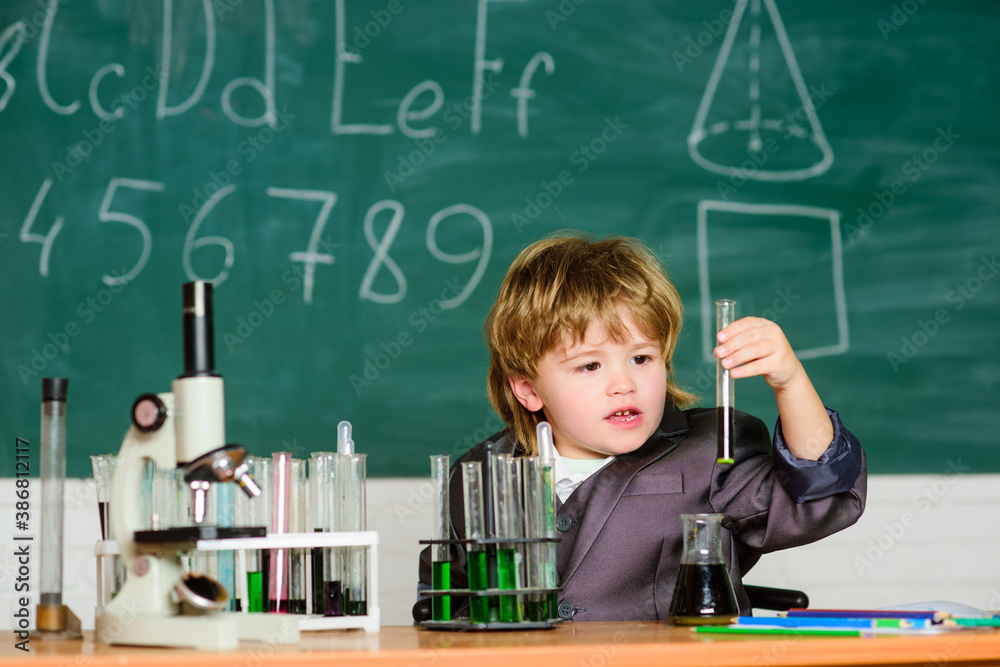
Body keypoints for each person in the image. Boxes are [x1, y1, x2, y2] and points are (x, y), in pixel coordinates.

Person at [414, 232, 866, 622]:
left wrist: (789, 381)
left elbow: (821, 495)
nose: (623, 384)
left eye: (641, 358)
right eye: (589, 365)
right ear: (529, 389)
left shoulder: (712, 449)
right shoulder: (482, 473)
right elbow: (447, 611)